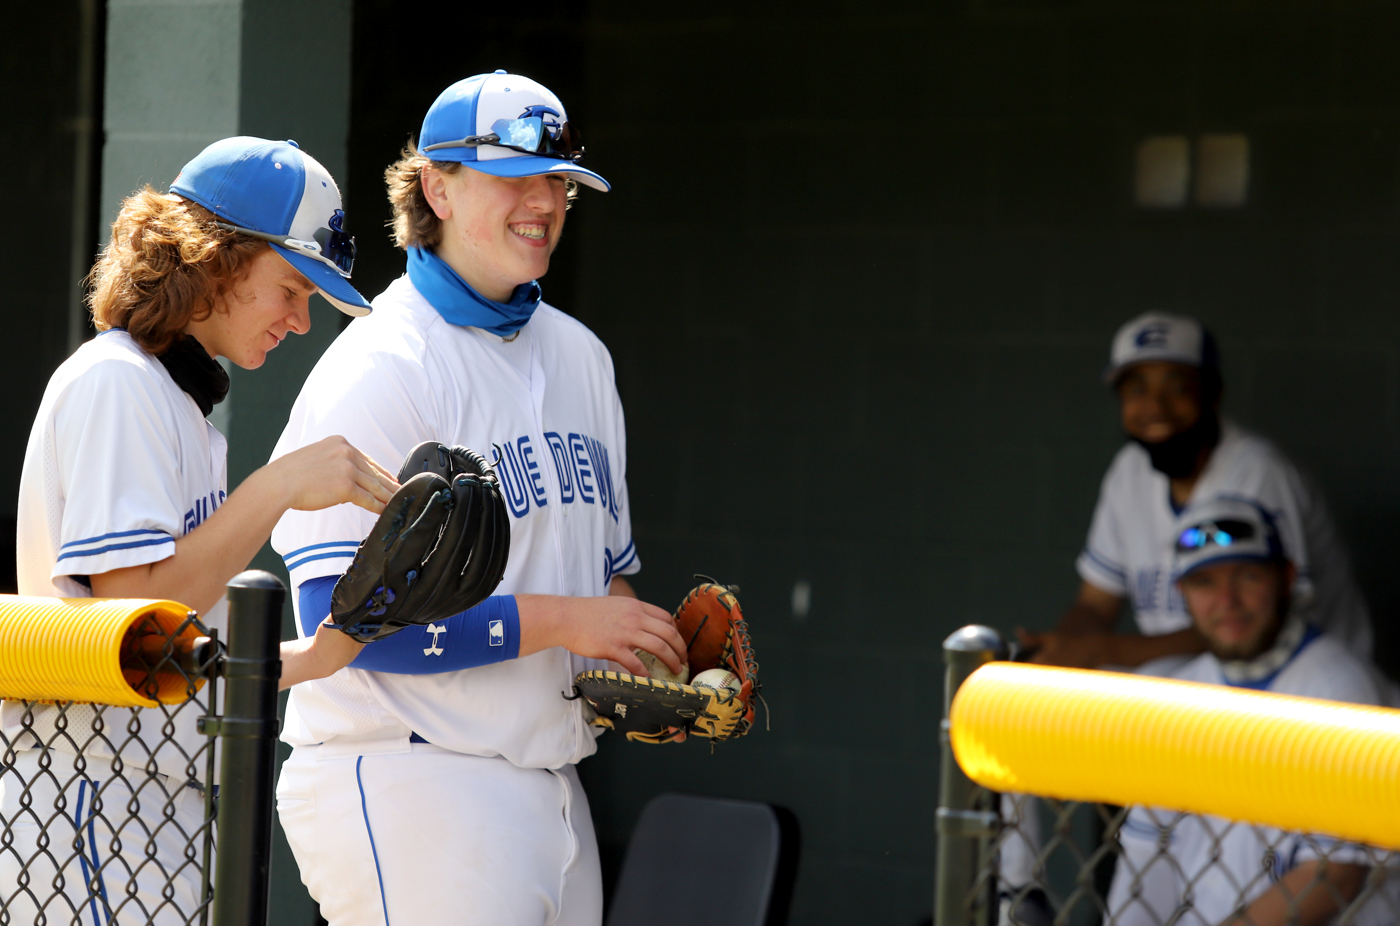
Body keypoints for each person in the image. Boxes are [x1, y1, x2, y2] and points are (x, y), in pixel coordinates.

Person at [268, 71, 688, 926]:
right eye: (513, 176)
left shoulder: (581, 358)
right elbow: (342, 628)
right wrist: (570, 621)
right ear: (437, 187)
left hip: (551, 780)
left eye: (559, 181)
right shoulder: (382, 366)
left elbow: (600, 586)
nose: (545, 202)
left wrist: (651, 660)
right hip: (412, 773)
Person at [2, 136, 398, 923]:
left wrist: (326, 653)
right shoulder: (118, 382)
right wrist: (278, 488)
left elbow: (173, 654)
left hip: (144, 811)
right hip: (95, 804)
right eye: (292, 287)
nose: (299, 320)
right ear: (215, 259)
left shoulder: (173, 404)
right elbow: (133, 620)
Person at [1020, 311, 1372, 674]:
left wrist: (1105, 650)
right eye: (1137, 388)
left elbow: (1253, 623)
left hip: (1304, 686)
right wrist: (1065, 648)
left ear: (1213, 395)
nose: (1155, 406)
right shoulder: (1130, 470)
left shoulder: (1258, 473)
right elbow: (1095, 602)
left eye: (1177, 388)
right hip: (1206, 681)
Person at [1106, 495, 1395, 926]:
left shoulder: (1340, 690)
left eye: (1247, 575)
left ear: (1287, 577)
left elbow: (1336, 875)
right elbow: (1147, 867)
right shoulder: (1176, 697)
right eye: (1204, 582)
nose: (1227, 599)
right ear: (1182, 593)